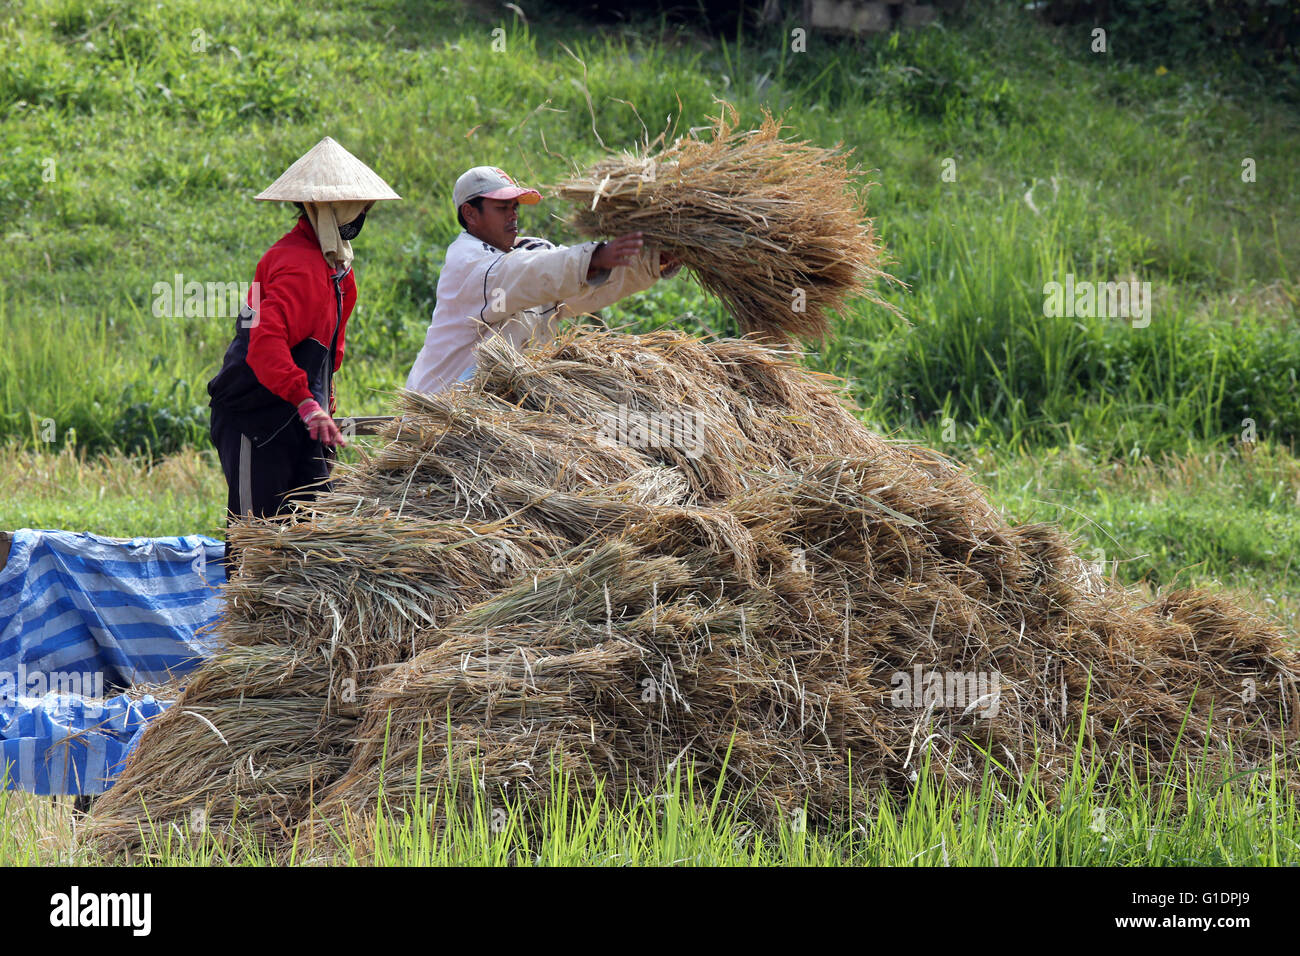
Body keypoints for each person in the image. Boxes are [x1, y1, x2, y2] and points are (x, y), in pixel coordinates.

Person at [207, 136, 400, 535]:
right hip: (255, 417)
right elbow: (265, 347)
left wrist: (321, 403)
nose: (363, 212)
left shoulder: (338, 271)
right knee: (257, 540)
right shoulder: (293, 264)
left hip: (300, 415)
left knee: (309, 536)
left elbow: (330, 352)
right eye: (357, 206)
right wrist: (306, 402)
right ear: (326, 207)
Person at [406, 165, 680, 395]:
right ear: (470, 214)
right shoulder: (468, 262)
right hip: (440, 409)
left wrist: (652, 262)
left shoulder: (525, 255)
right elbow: (529, 275)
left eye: (514, 207)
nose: (513, 215)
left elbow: (578, 290)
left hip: (487, 412)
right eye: (502, 207)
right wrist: (593, 257)